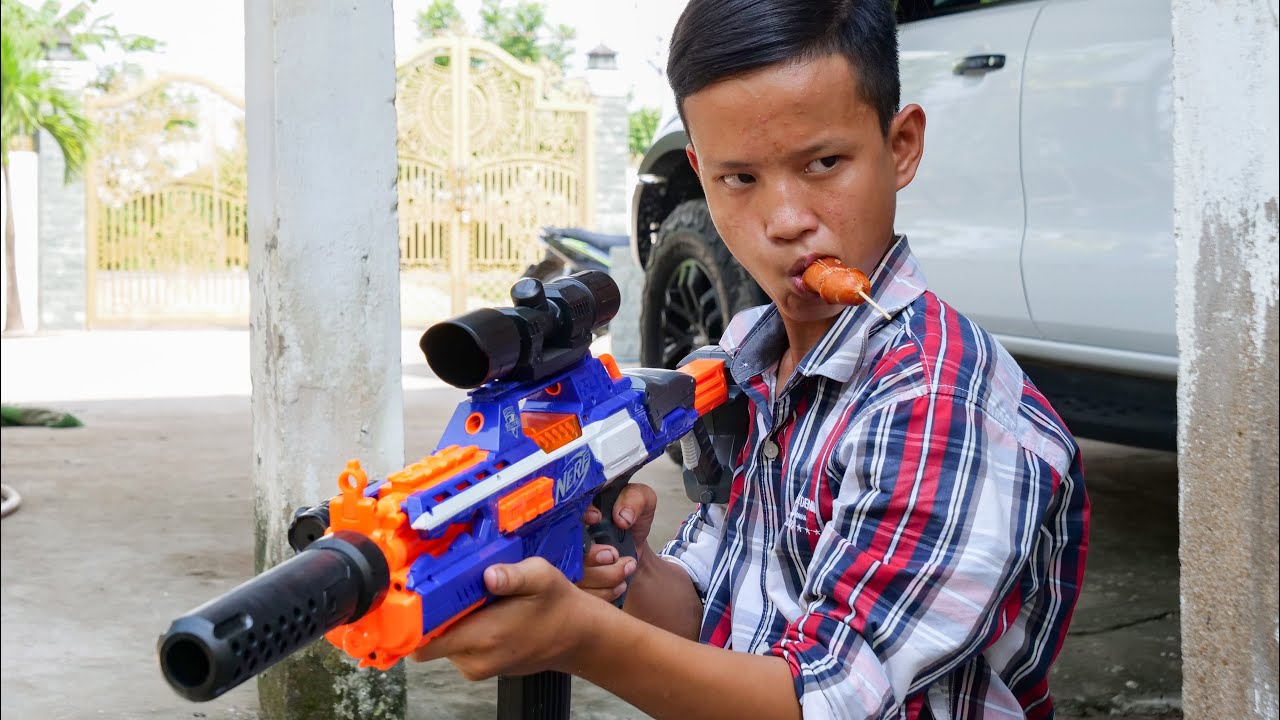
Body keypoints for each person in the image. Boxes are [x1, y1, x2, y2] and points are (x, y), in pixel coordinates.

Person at [413, 1, 1090, 717]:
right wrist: (625, 567)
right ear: (700, 173)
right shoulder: (744, 358)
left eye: (823, 163)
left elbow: (827, 700)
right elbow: (714, 612)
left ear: (901, 147)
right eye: (739, 179)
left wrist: (580, 638)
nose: (786, 220)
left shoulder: (936, 405)